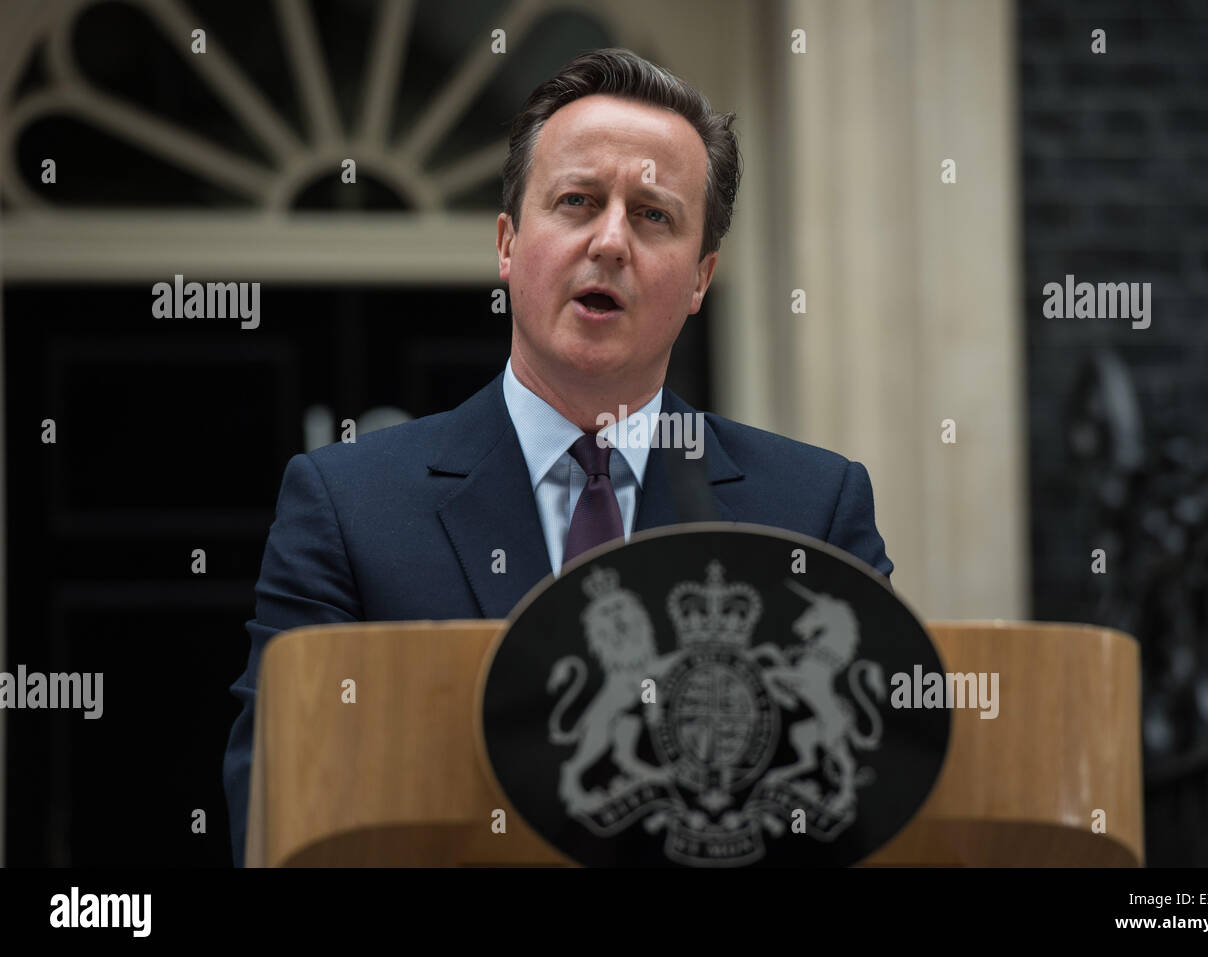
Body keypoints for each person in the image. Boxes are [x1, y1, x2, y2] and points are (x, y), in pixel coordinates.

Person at [222, 48, 893, 867]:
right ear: (507, 244)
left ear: (700, 278)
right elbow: (277, 795)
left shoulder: (814, 505)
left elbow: (877, 796)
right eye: (577, 201)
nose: (610, 240)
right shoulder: (348, 503)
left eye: (653, 215)